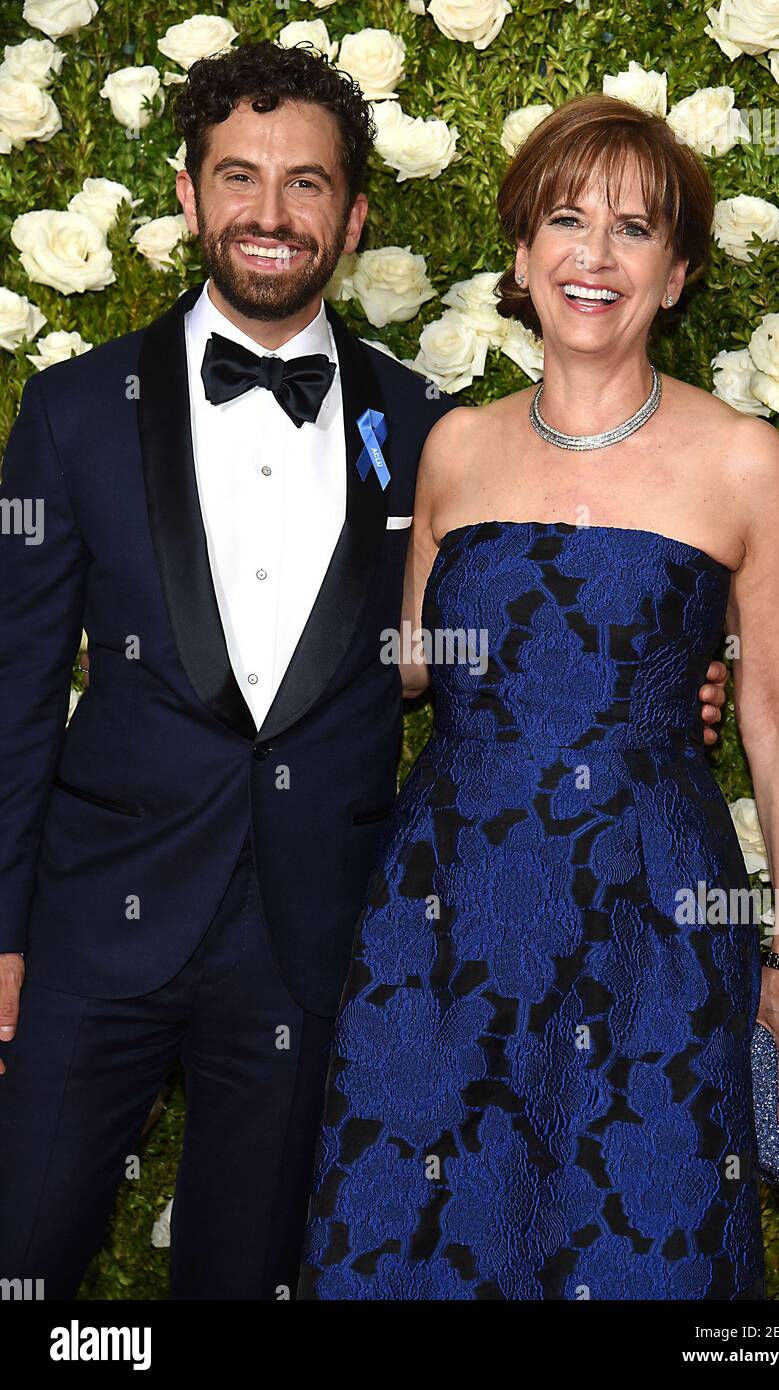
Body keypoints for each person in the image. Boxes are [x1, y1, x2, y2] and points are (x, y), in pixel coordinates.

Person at [0, 48, 726, 1300]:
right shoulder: (71, 410)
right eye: (239, 178)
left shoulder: (431, 430)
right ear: (188, 198)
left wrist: (654, 683)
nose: (271, 215)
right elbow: (11, 697)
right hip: (88, 932)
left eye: (306, 186)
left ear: (353, 216)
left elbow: (459, 636)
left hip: (315, 947)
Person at [297, 94, 779, 1301]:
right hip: (442, 918)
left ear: (679, 271)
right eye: (565, 219)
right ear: (520, 254)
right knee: (417, 1241)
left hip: (651, 917)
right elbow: (403, 664)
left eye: (634, 229)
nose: (593, 256)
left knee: (634, 1233)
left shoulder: (743, 458)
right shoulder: (452, 449)